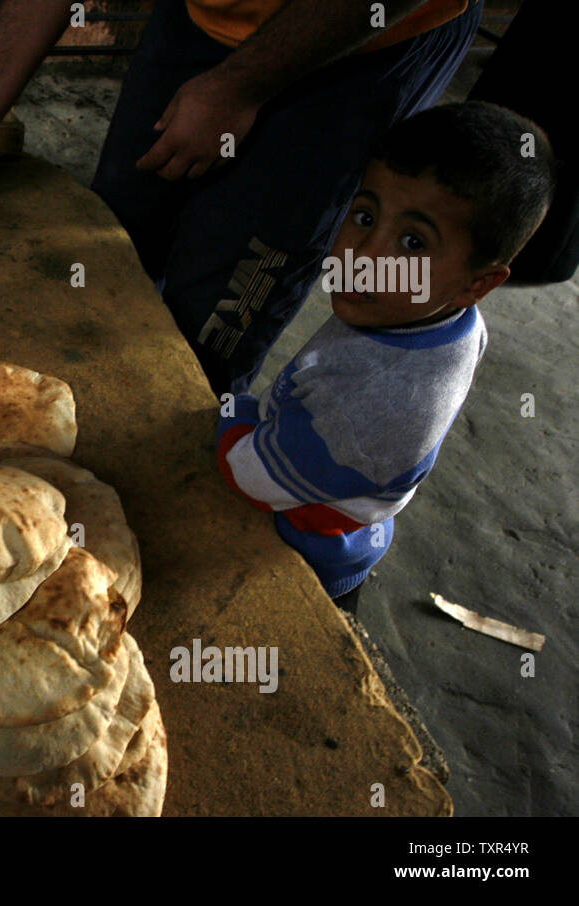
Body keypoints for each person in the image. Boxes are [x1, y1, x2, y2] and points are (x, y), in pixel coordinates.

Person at [0, 0, 483, 397]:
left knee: (214, 316)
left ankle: (188, 445)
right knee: (115, 236)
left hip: (360, 35)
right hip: (205, 16)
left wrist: (237, 88)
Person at [215, 102, 556, 612]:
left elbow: (254, 475)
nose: (363, 256)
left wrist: (227, 423)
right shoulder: (445, 318)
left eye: (413, 242)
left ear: (477, 284)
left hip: (302, 544)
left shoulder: (370, 405)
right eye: (365, 215)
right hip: (339, 487)